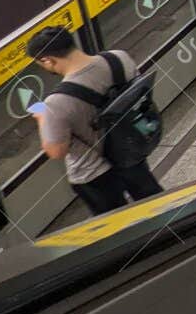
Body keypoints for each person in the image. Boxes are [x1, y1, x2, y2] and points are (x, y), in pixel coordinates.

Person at [24, 26, 163, 216]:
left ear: (47, 59)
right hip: (130, 151)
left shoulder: (56, 103)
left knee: (116, 224)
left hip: (93, 173)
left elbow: (56, 151)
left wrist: (42, 118)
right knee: (155, 204)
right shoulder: (118, 58)